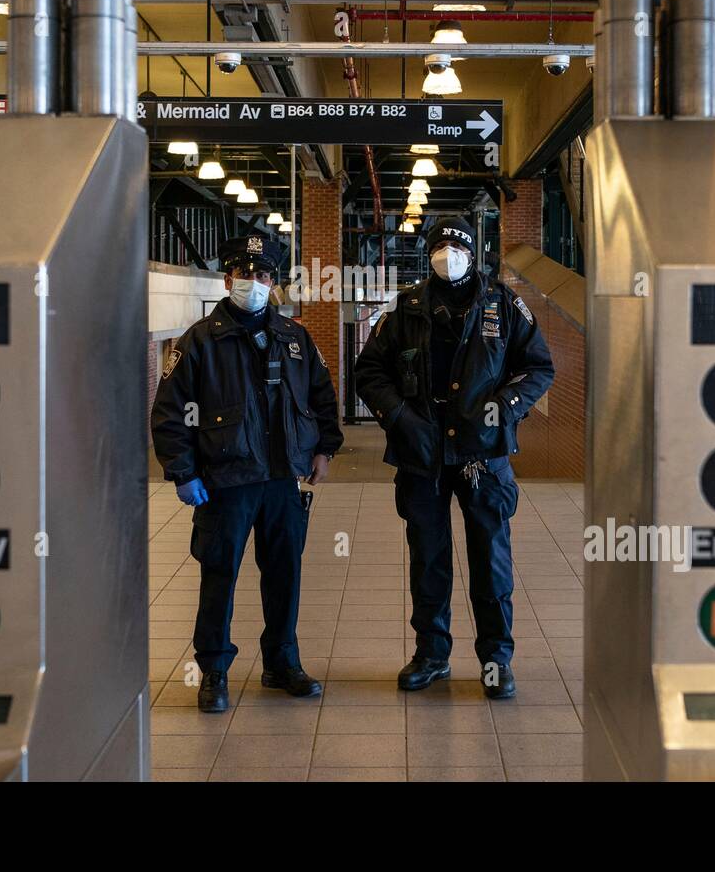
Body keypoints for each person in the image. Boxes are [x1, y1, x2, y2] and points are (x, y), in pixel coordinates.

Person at [355, 216, 554, 700]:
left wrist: (503, 408)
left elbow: (538, 368)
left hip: (482, 454)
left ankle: (496, 661)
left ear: (473, 251)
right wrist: (399, 417)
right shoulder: (407, 308)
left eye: (457, 245)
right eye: (439, 245)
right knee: (429, 559)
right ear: (429, 254)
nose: (449, 253)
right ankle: (431, 654)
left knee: (491, 559)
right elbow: (369, 370)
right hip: (421, 455)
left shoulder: (504, 305)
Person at [151, 233, 343, 713]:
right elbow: (169, 413)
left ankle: (281, 663)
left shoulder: (295, 337)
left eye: (262, 276)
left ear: (273, 282)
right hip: (225, 481)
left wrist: (325, 450)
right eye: (244, 275)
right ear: (228, 278)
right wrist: (183, 472)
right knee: (220, 575)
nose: (253, 284)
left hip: (282, 479)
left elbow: (322, 396)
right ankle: (213, 671)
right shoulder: (200, 340)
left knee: (285, 575)